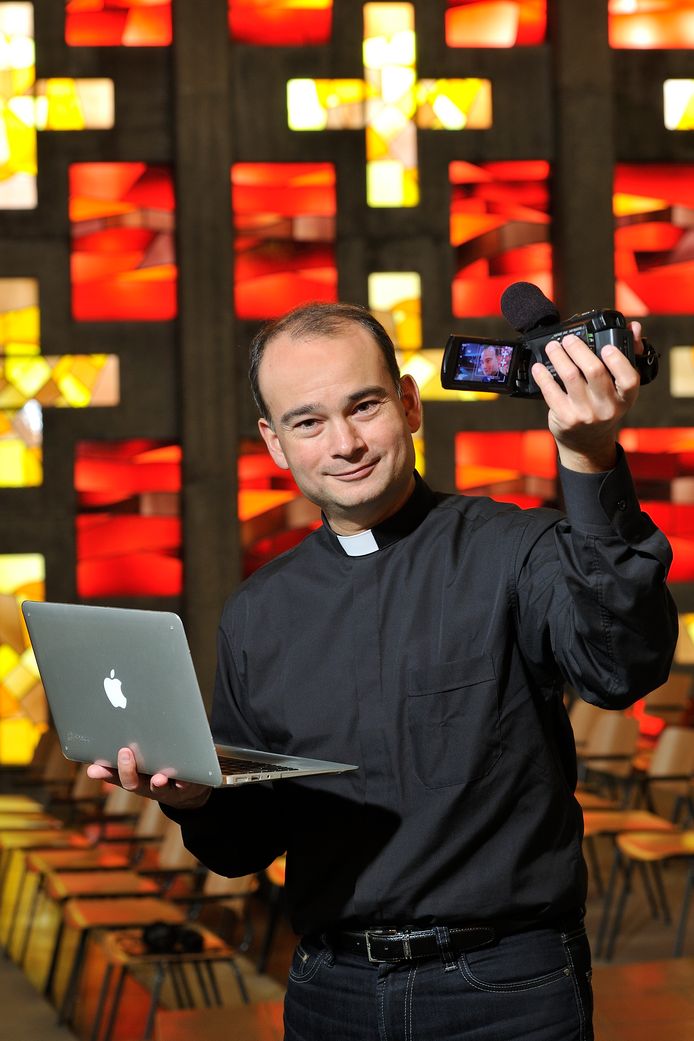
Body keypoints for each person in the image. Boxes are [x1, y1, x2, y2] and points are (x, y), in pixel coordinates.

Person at [89, 301, 678, 1041]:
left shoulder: (517, 550)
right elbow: (245, 846)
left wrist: (589, 459)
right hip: (328, 991)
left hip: (505, 990)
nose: (345, 444)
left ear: (408, 403)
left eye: (363, 406)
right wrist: (195, 800)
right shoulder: (257, 613)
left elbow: (622, 666)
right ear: (275, 443)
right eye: (308, 422)